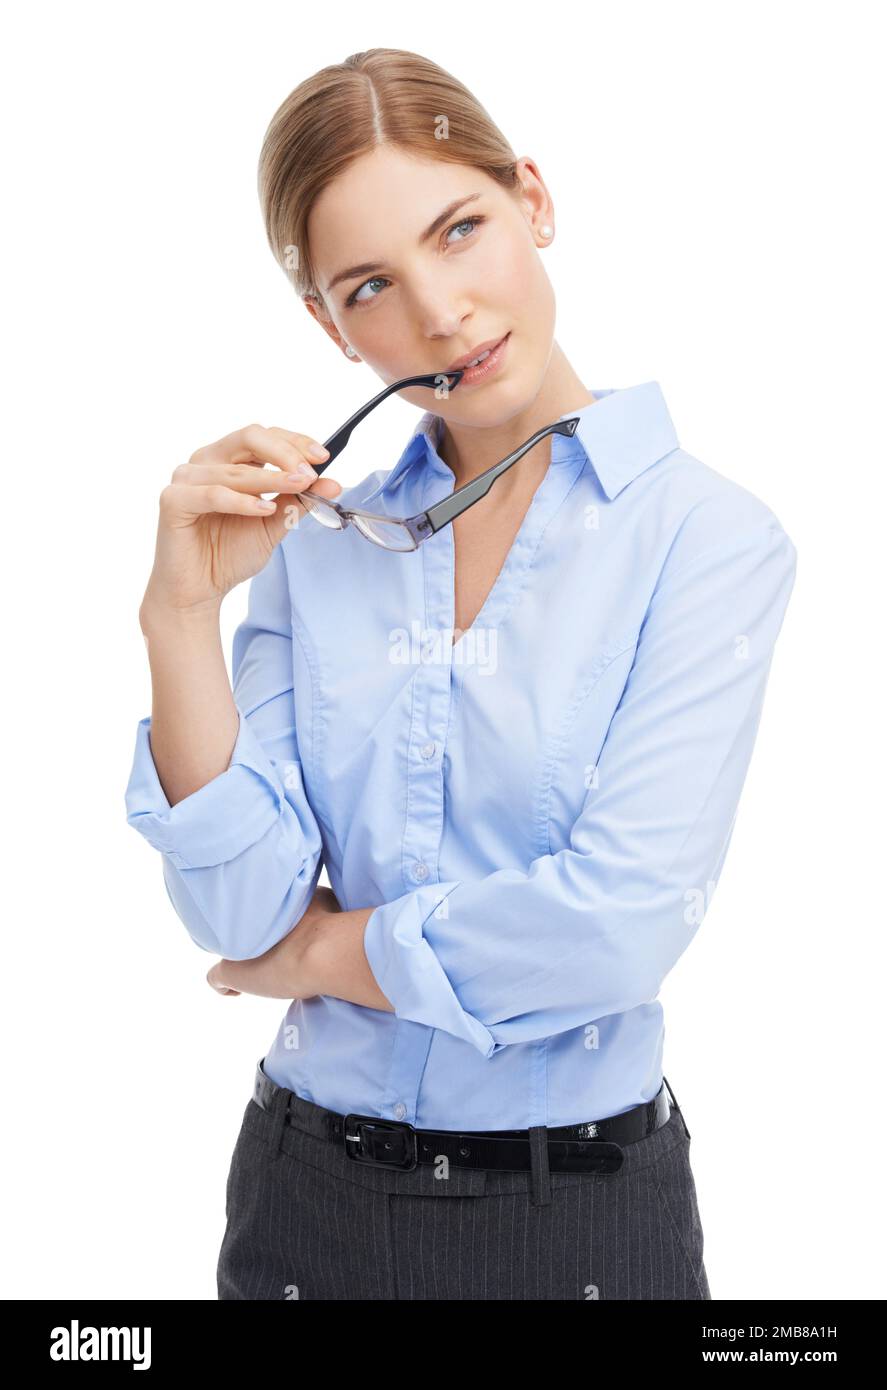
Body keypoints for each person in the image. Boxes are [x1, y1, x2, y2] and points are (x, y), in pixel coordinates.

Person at [124, 47, 797, 1301]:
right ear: (330, 325)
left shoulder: (706, 539)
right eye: (371, 284)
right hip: (301, 1205)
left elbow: (610, 929)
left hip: (579, 1221)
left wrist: (317, 960)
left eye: (461, 229)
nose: (437, 312)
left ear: (531, 201)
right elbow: (236, 914)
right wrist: (179, 614)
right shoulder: (319, 548)